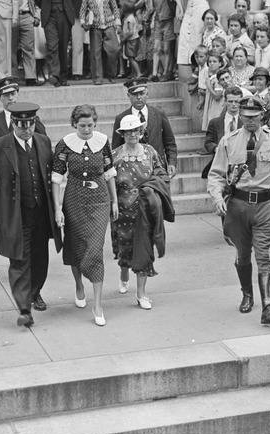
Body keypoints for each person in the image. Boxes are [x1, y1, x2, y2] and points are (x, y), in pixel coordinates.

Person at [0, 102, 60, 327]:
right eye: (22, 126)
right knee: (19, 259)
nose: (27, 130)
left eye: (30, 125)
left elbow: (52, 175)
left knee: (40, 258)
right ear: (13, 123)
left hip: (41, 213)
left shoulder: (43, 141)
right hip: (15, 214)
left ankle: (35, 292)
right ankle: (24, 308)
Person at [208, 96, 270, 322]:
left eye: (254, 116)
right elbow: (216, 175)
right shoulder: (229, 141)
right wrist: (217, 199)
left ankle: (267, 306)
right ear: (240, 115)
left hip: (266, 206)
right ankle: (247, 294)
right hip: (238, 207)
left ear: (262, 115)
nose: (250, 120)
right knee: (243, 255)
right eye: (245, 116)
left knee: (265, 256)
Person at [50, 104, 118, 323]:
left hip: (99, 199)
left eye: (90, 125)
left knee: (95, 249)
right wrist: (57, 208)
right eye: (82, 126)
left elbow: (109, 173)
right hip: (74, 198)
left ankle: (97, 305)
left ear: (95, 123)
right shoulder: (64, 144)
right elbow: (57, 178)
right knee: (76, 244)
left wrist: (114, 201)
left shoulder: (103, 141)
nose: (87, 129)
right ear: (74, 124)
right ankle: (79, 285)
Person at [110, 114, 171, 317]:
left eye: (136, 131)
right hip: (122, 212)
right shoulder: (115, 155)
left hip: (145, 210)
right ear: (123, 134)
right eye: (128, 132)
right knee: (125, 248)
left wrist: (153, 190)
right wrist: (113, 203)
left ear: (141, 132)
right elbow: (108, 183)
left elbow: (161, 173)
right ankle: (124, 271)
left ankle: (141, 294)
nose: (133, 135)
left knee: (144, 250)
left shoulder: (150, 152)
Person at [112, 78, 178, 177]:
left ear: (147, 94)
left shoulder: (159, 114)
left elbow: (170, 142)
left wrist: (172, 163)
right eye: (134, 94)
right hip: (132, 172)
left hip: (157, 169)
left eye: (142, 93)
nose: (139, 97)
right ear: (128, 95)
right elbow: (116, 148)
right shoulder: (121, 118)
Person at [176, 0, 226, 77]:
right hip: (189, 6)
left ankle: (200, 68)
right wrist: (181, 10)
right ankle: (189, 68)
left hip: (201, 4)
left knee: (198, 34)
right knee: (185, 35)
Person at [0, 76, 45, 154]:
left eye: (13, 94)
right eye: (6, 95)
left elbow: (43, 143)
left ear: (17, 94)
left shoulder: (31, 117)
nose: (11, 98)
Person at [80, 0, 121, 85]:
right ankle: (97, 77)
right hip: (95, 27)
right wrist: (83, 23)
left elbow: (115, 8)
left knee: (113, 49)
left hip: (108, 24)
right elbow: (82, 10)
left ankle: (112, 74)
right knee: (95, 53)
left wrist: (117, 23)